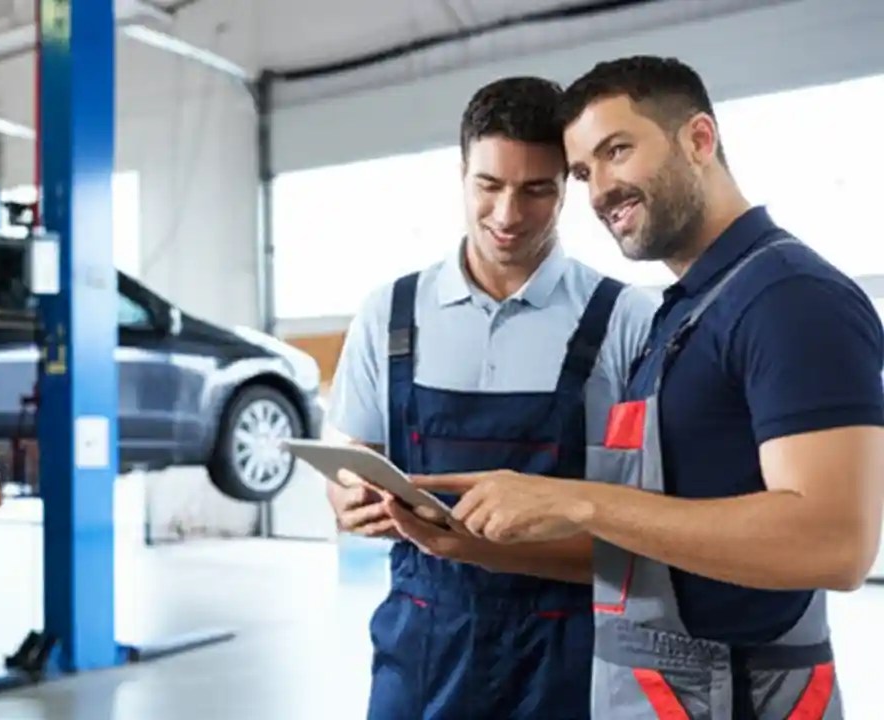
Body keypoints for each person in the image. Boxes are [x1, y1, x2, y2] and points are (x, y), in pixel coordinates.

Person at [381, 56, 884, 719]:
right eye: (585, 172)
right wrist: (466, 542)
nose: (600, 191)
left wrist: (581, 502)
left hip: (741, 696)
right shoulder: (682, 313)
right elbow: (659, 549)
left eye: (617, 151)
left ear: (698, 140)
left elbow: (835, 544)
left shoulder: (788, 298)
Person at [324, 76, 657, 720]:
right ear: (461, 173)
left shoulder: (625, 322)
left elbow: (644, 527)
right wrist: (346, 498)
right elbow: (351, 459)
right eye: (489, 186)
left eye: (536, 190)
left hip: (568, 654)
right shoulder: (389, 315)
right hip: (421, 648)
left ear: (570, 186)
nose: (507, 215)